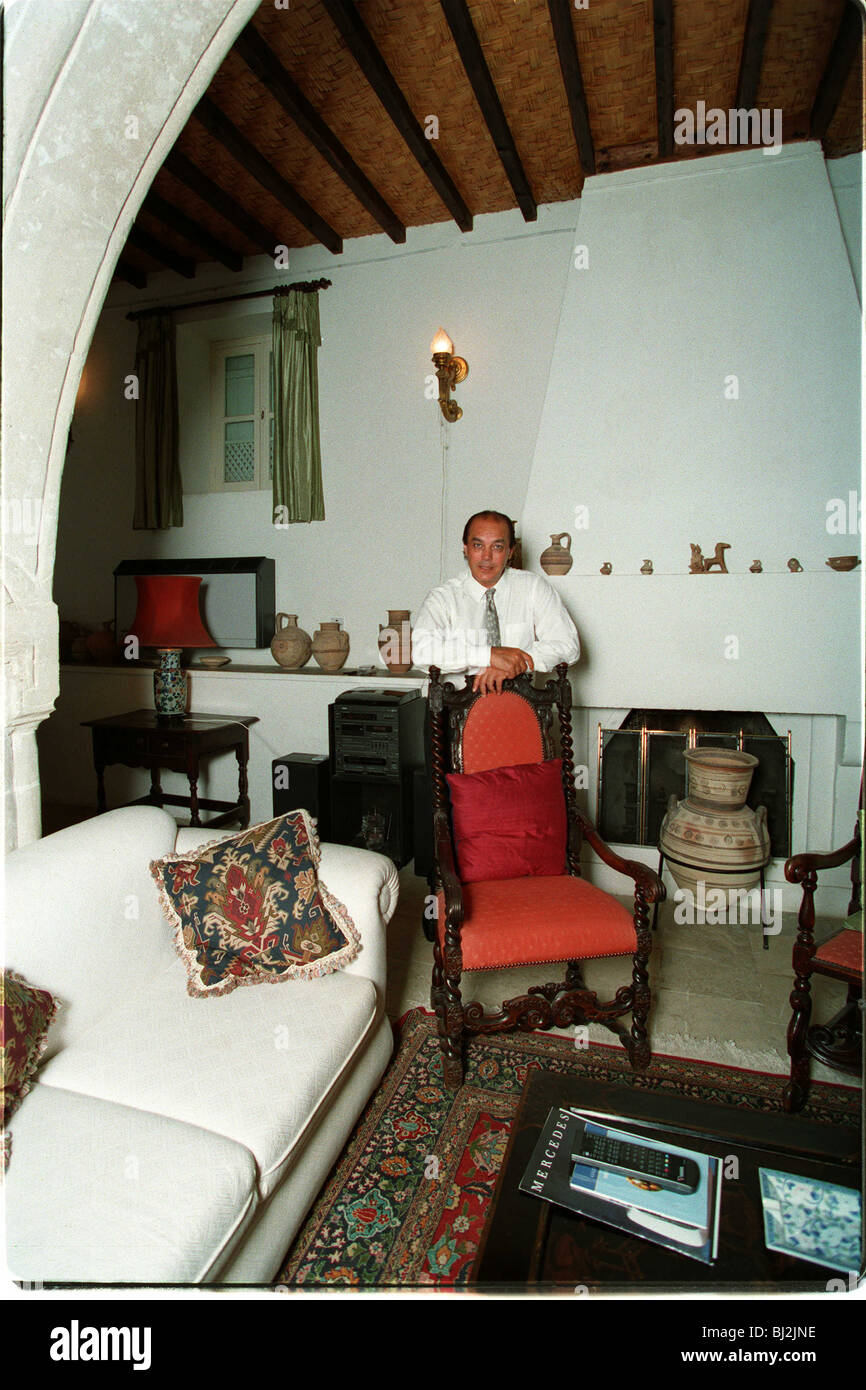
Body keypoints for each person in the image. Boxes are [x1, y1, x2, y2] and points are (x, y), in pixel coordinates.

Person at [412, 510, 580, 694]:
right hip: (458, 717)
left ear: (510, 552)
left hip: (524, 710)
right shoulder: (442, 598)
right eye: (478, 545)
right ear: (465, 549)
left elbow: (567, 645)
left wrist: (516, 663)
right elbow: (422, 652)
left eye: (497, 547)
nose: (486, 556)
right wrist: (489, 656)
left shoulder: (534, 588)